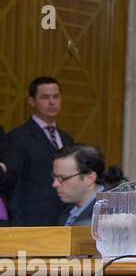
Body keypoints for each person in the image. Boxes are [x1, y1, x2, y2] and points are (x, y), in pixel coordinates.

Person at [2, 77, 75, 224]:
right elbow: (12, 184)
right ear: (32, 101)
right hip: (30, 220)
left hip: (64, 218)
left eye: (56, 96)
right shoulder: (17, 137)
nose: (52, 102)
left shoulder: (67, 139)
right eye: (45, 97)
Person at [52, 144, 110, 223]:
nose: (55, 184)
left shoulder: (109, 215)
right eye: (54, 177)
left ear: (90, 178)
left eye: (62, 178)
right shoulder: (66, 211)